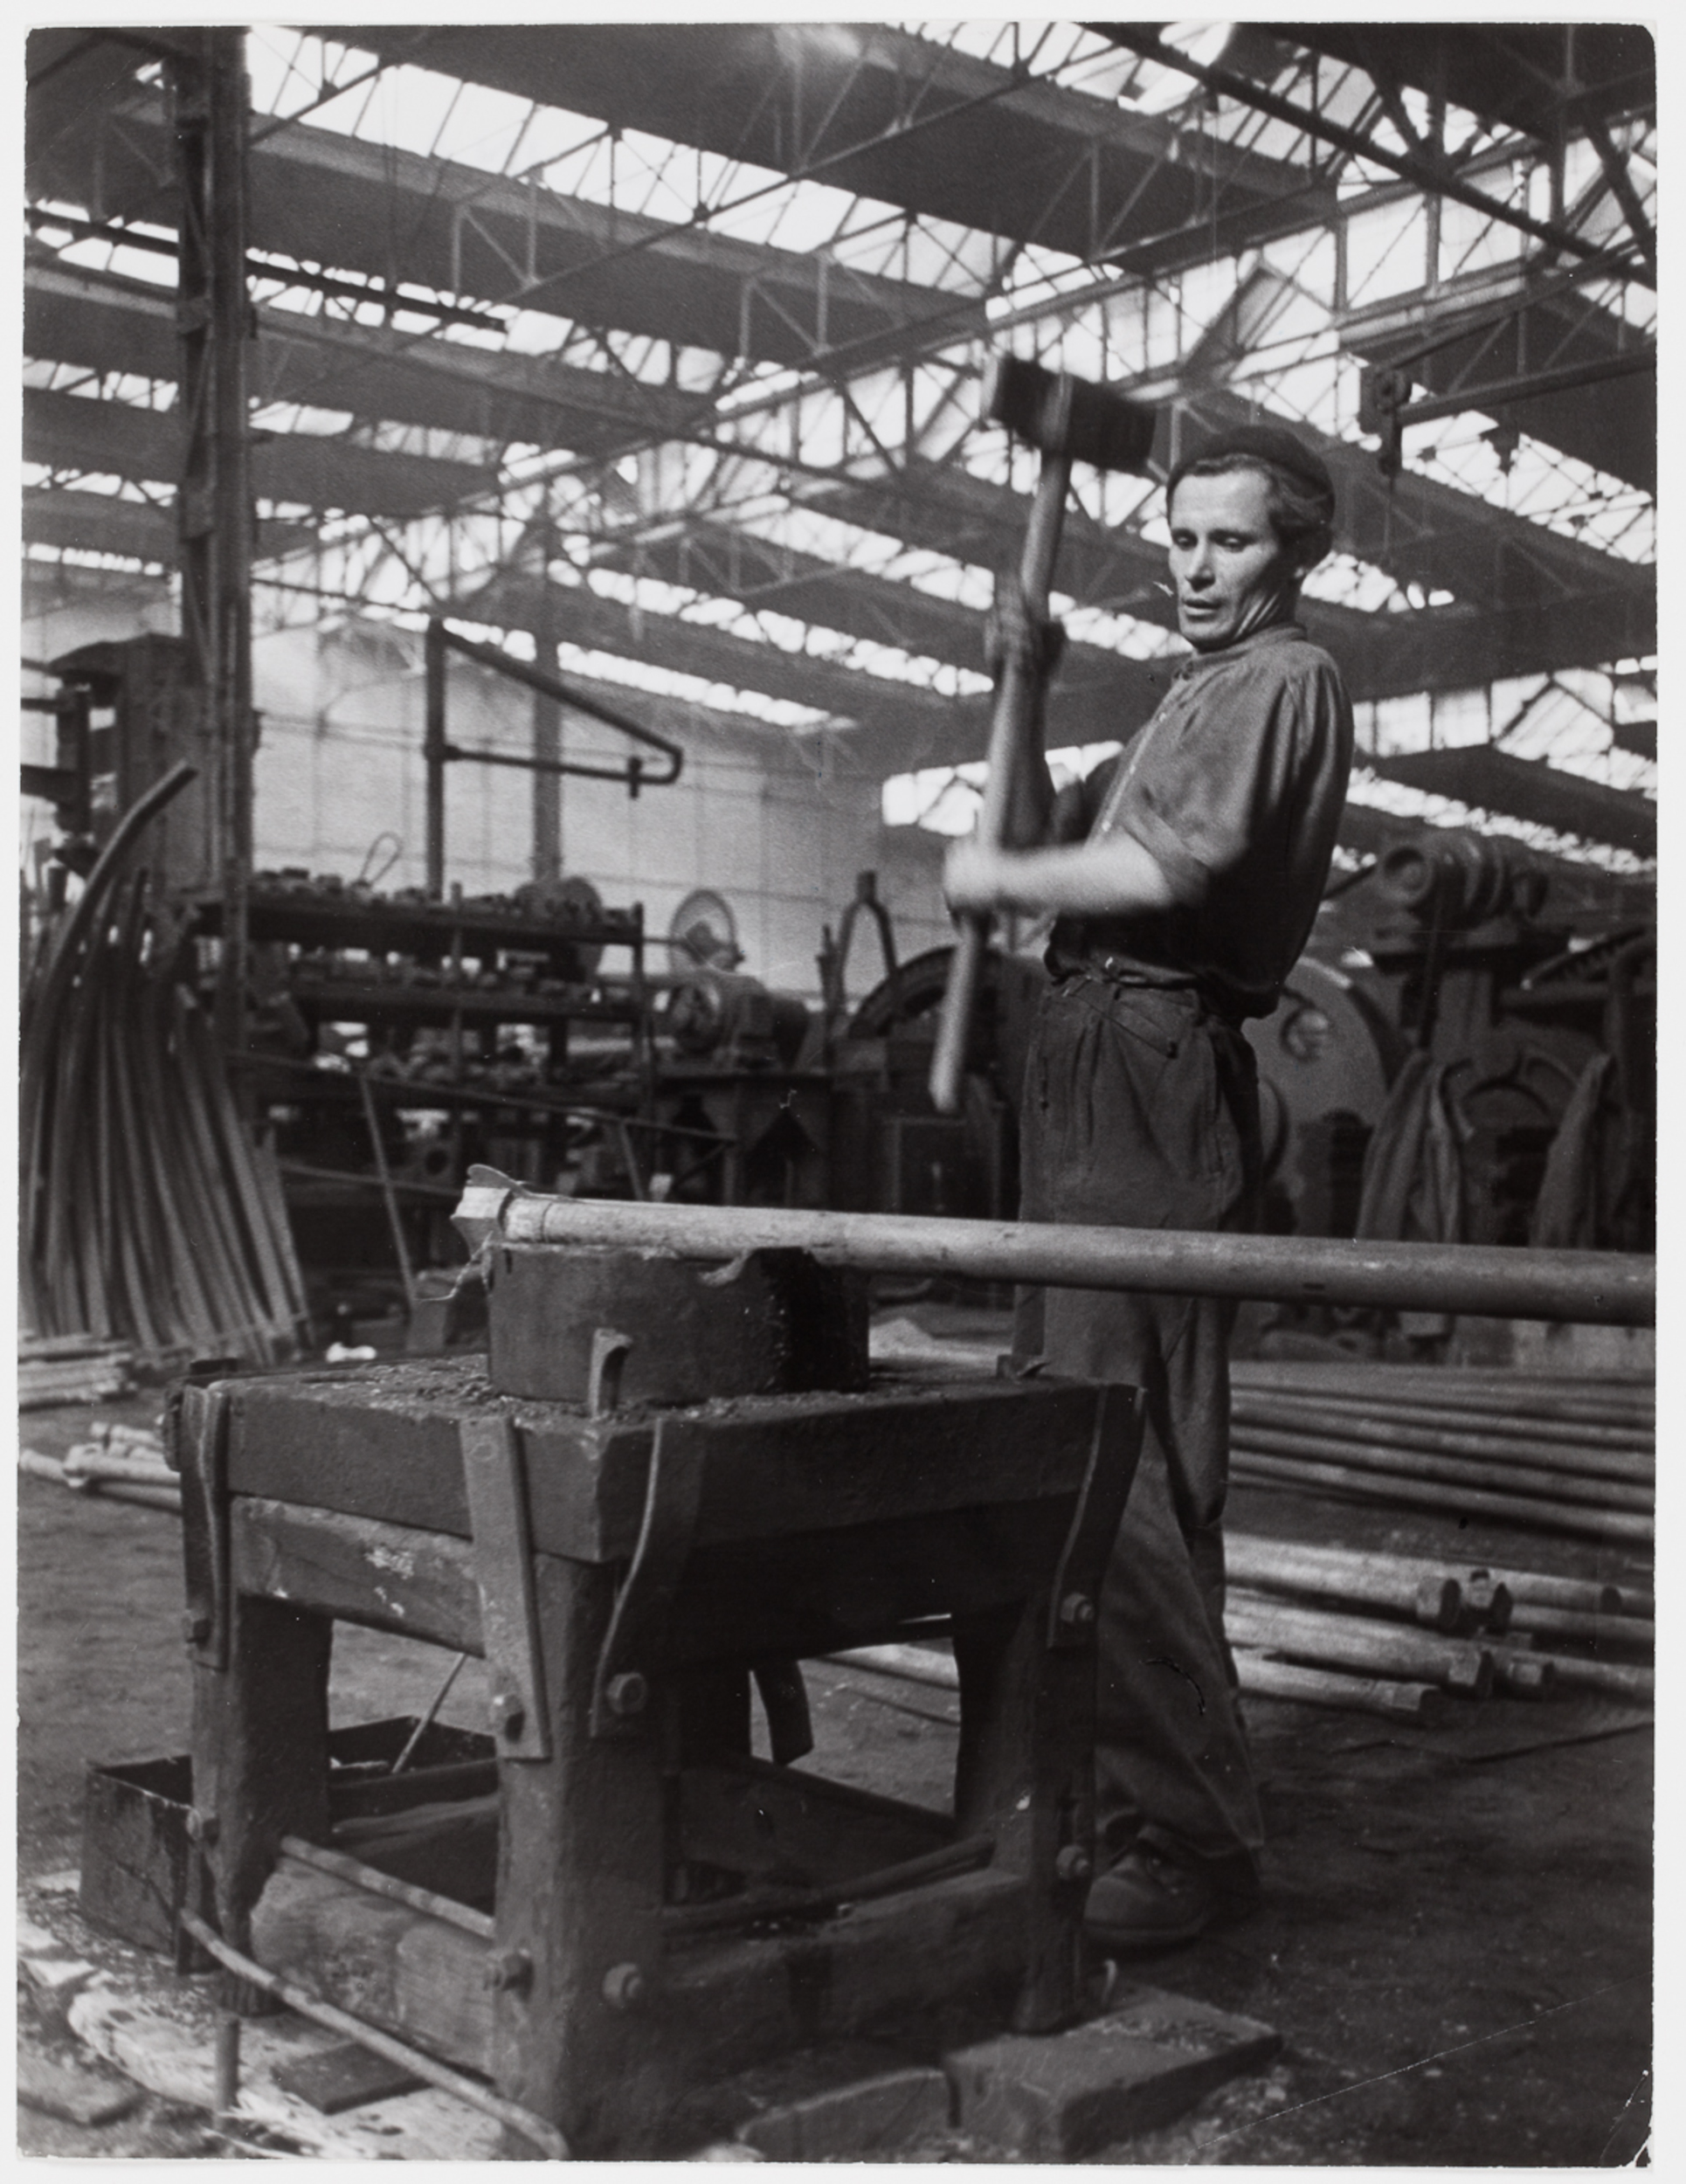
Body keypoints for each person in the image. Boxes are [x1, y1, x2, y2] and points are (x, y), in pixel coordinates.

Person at [943, 422, 1354, 1950]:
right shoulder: (1185, 696)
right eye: (1178, 536)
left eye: (1229, 540)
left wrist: (1001, 887)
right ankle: (1118, 1800)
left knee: (1119, 1462)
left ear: (1294, 553)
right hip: (1087, 1049)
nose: (1193, 563)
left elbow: (1167, 875)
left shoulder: (1282, 681)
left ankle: (1186, 1839)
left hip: (1152, 1052)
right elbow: (1044, 835)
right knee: (1090, 1442)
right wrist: (1029, 688)